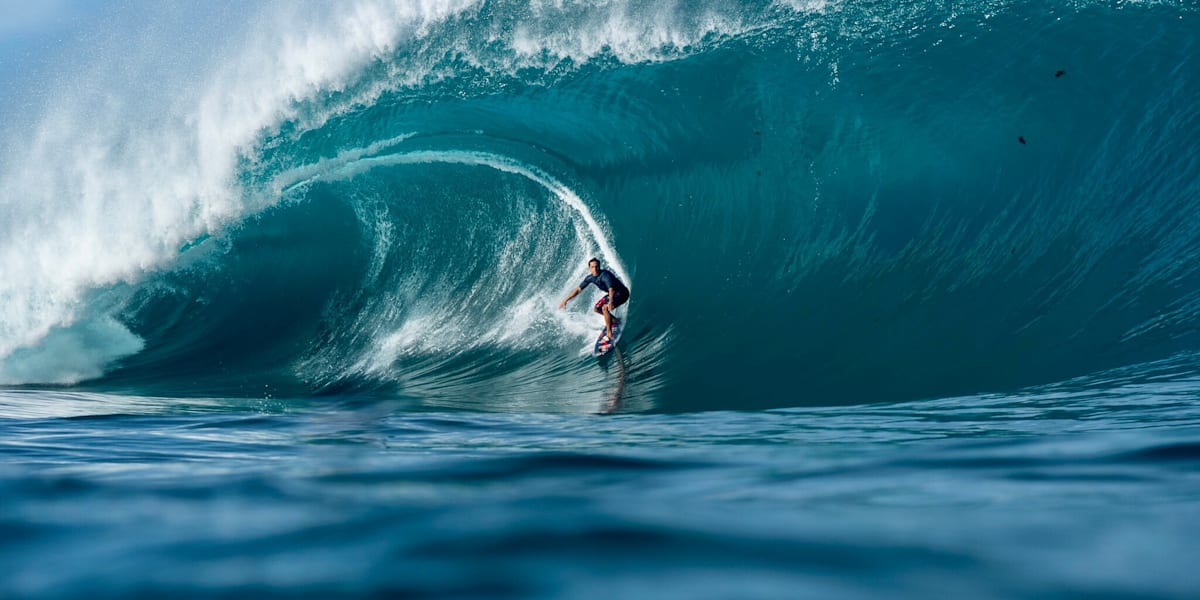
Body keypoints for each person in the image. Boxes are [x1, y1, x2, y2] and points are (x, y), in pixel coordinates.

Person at [559, 258, 629, 340]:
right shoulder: (590, 278)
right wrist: (565, 300)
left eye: (596, 267)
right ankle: (615, 321)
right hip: (614, 294)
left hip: (622, 293)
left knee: (605, 308)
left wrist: (610, 302)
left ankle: (609, 334)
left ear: (599, 267)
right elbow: (578, 289)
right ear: (589, 268)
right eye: (592, 267)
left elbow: (611, 289)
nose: (595, 269)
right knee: (597, 308)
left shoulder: (605, 275)